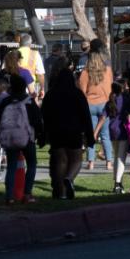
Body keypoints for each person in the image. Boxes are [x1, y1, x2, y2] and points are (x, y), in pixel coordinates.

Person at [42, 67, 93, 200]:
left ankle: (61, 192)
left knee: (60, 160)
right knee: (76, 159)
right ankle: (69, 178)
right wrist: (89, 135)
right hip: (74, 130)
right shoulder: (77, 94)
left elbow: (44, 115)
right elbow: (86, 115)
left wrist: (43, 134)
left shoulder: (51, 94)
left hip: (56, 131)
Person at [0, 70, 43, 204]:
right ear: (24, 88)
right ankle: (27, 194)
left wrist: (0, 134)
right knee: (32, 163)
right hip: (26, 137)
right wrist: (39, 134)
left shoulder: (5, 102)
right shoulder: (29, 101)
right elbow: (37, 120)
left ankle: (9, 196)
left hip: (10, 138)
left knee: (11, 167)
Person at [76, 39, 113, 174]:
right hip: (104, 103)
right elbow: (110, 87)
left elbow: (81, 87)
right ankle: (109, 162)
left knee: (90, 134)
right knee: (105, 135)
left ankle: (91, 162)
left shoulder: (86, 70)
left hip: (90, 103)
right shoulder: (107, 69)